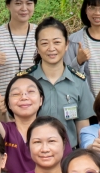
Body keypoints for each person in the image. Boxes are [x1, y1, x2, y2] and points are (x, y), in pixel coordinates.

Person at [26, 17, 94, 146]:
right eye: (44, 43)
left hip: (68, 156)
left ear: (66, 45)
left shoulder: (79, 82)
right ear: (37, 47)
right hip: (33, 155)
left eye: (57, 42)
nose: (51, 48)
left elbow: (83, 128)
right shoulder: (25, 81)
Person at [0, 73, 45, 173]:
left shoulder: (54, 130)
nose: (24, 97)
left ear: (41, 100)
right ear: (9, 104)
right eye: (16, 94)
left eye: (30, 92)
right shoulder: (6, 130)